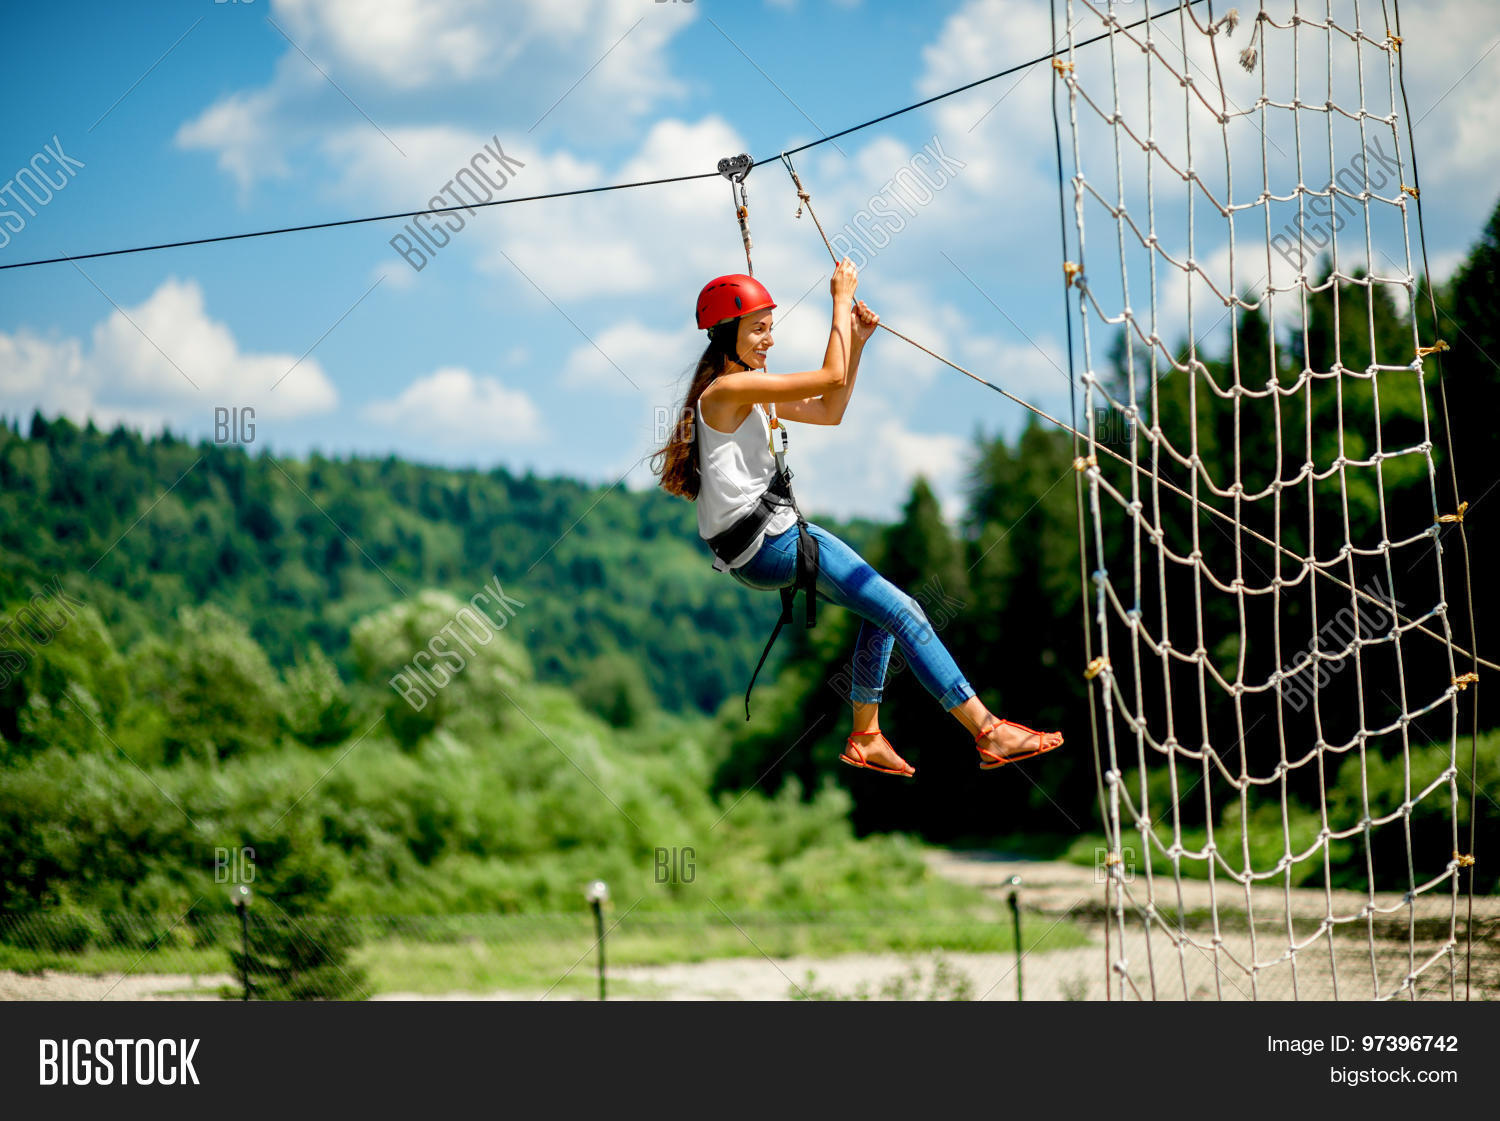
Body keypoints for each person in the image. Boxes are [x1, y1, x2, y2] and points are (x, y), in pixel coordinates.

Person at [650, 259, 1062, 777]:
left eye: (770, 328)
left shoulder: (750, 393)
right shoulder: (729, 392)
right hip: (769, 542)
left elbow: (830, 407)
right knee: (906, 610)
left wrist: (858, 340)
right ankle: (988, 730)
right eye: (759, 329)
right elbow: (830, 375)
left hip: (758, 549)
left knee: (881, 610)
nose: (769, 340)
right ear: (726, 332)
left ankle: (866, 735)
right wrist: (840, 300)